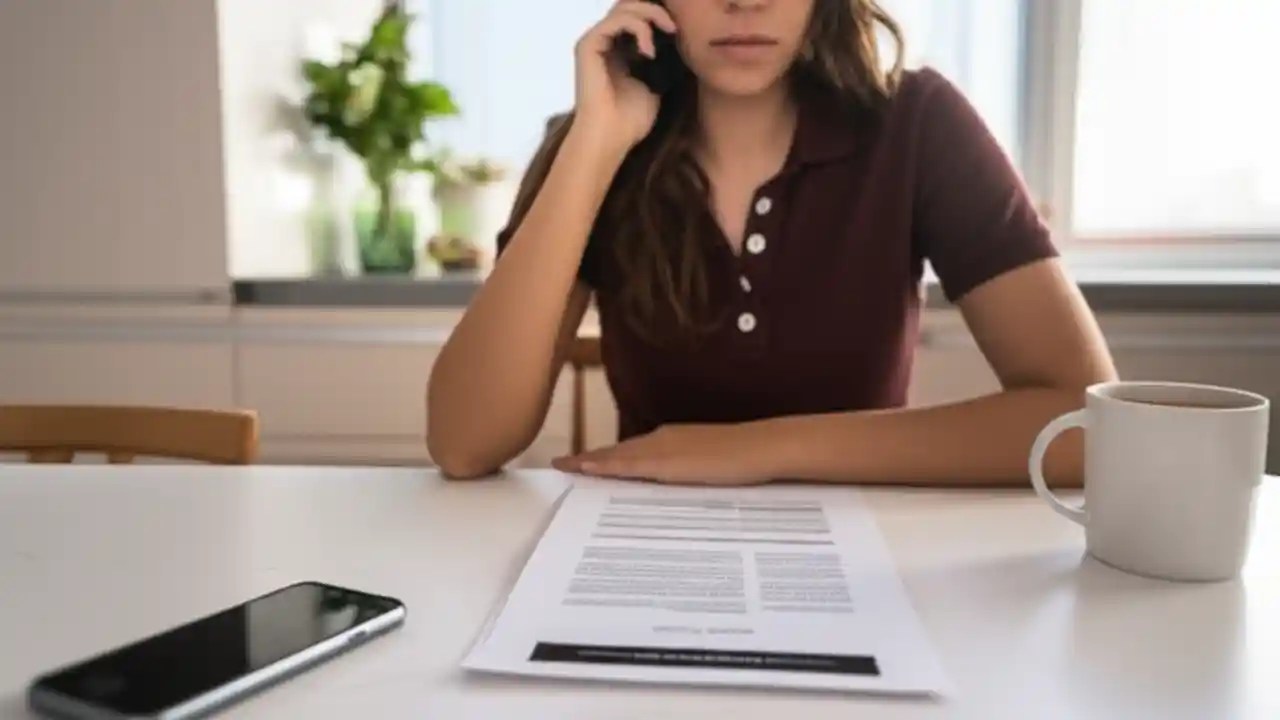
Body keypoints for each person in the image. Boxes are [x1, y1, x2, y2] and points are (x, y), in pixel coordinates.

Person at [427, 0, 1116, 486]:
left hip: (869, 556)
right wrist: (594, 145)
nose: (745, 0)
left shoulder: (918, 123)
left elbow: (1088, 425)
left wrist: (754, 448)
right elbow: (463, 443)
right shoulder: (592, 144)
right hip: (647, 552)